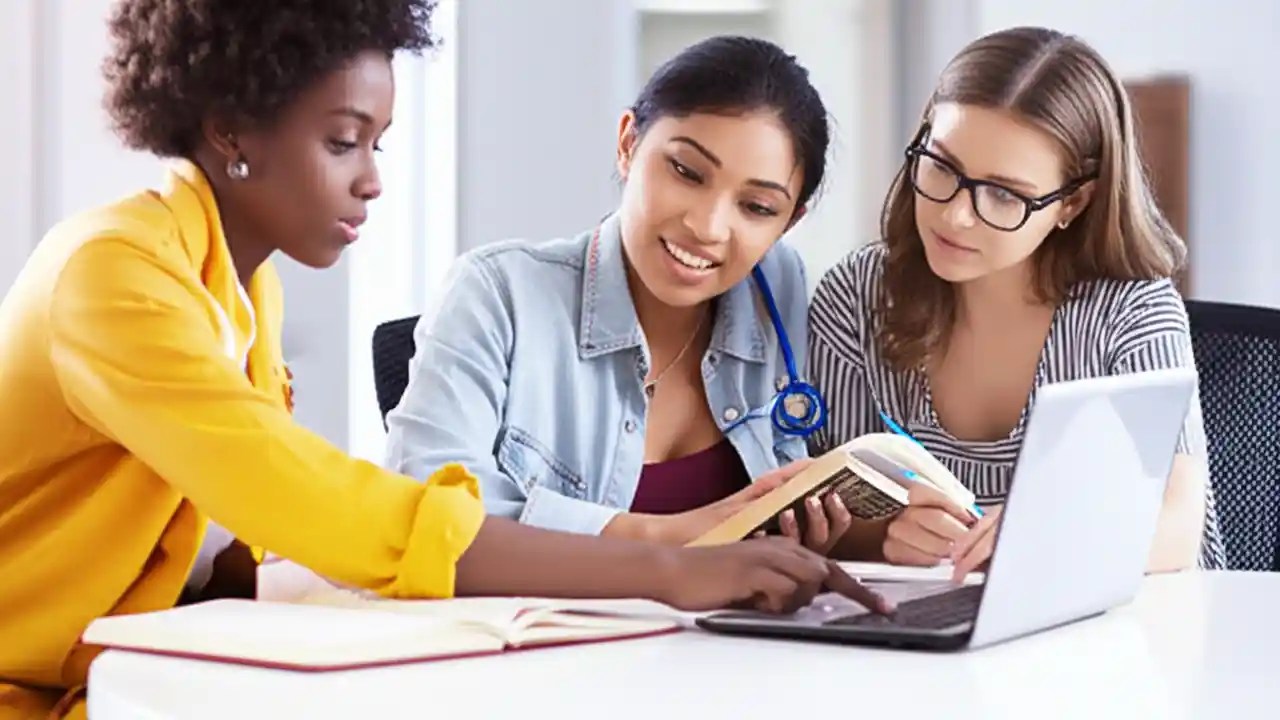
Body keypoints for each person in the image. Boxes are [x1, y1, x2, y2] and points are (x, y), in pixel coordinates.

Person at [0, 4, 884, 717]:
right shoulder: (115, 277)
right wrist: (672, 563)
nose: (374, 179)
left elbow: (224, 540)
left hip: (115, 668)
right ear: (234, 132)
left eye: (377, 144)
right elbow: (318, 501)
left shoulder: (233, 287)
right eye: (343, 141)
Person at [384, 36, 850, 553]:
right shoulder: (496, 293)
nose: (708, 227)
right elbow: (422, 512)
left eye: (758, 207)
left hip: (734, 633)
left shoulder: (775, 288)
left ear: (789, 222)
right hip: (544, 629)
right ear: (629, 143)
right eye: (686, 172)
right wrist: (667, 537)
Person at [806, 26, 1227, 581]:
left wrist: (1048, 540)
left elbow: (1178, 525)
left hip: (1117, 641)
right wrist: (887, 533)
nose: (956, 215)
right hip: (917, 642)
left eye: (1004, 194)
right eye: (942, 166)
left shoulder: (1131, 311)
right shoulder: (856, 296)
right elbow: (825, 510)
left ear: (1072, 203)